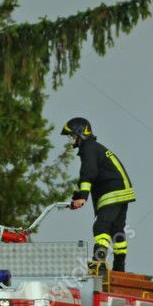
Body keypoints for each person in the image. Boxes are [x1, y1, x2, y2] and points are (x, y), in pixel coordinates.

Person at [61, 117, 136, 272]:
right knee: (117, 230)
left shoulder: (88, 148)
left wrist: (83, 196)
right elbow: (95, 175)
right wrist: (78, 195)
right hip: (122, 191)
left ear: (81, 134)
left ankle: (98, 263)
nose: (70, 140)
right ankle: (119, 268)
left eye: (72, 136)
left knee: (101, 226)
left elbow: (89, 173)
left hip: (112, 191)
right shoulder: (95, 148)